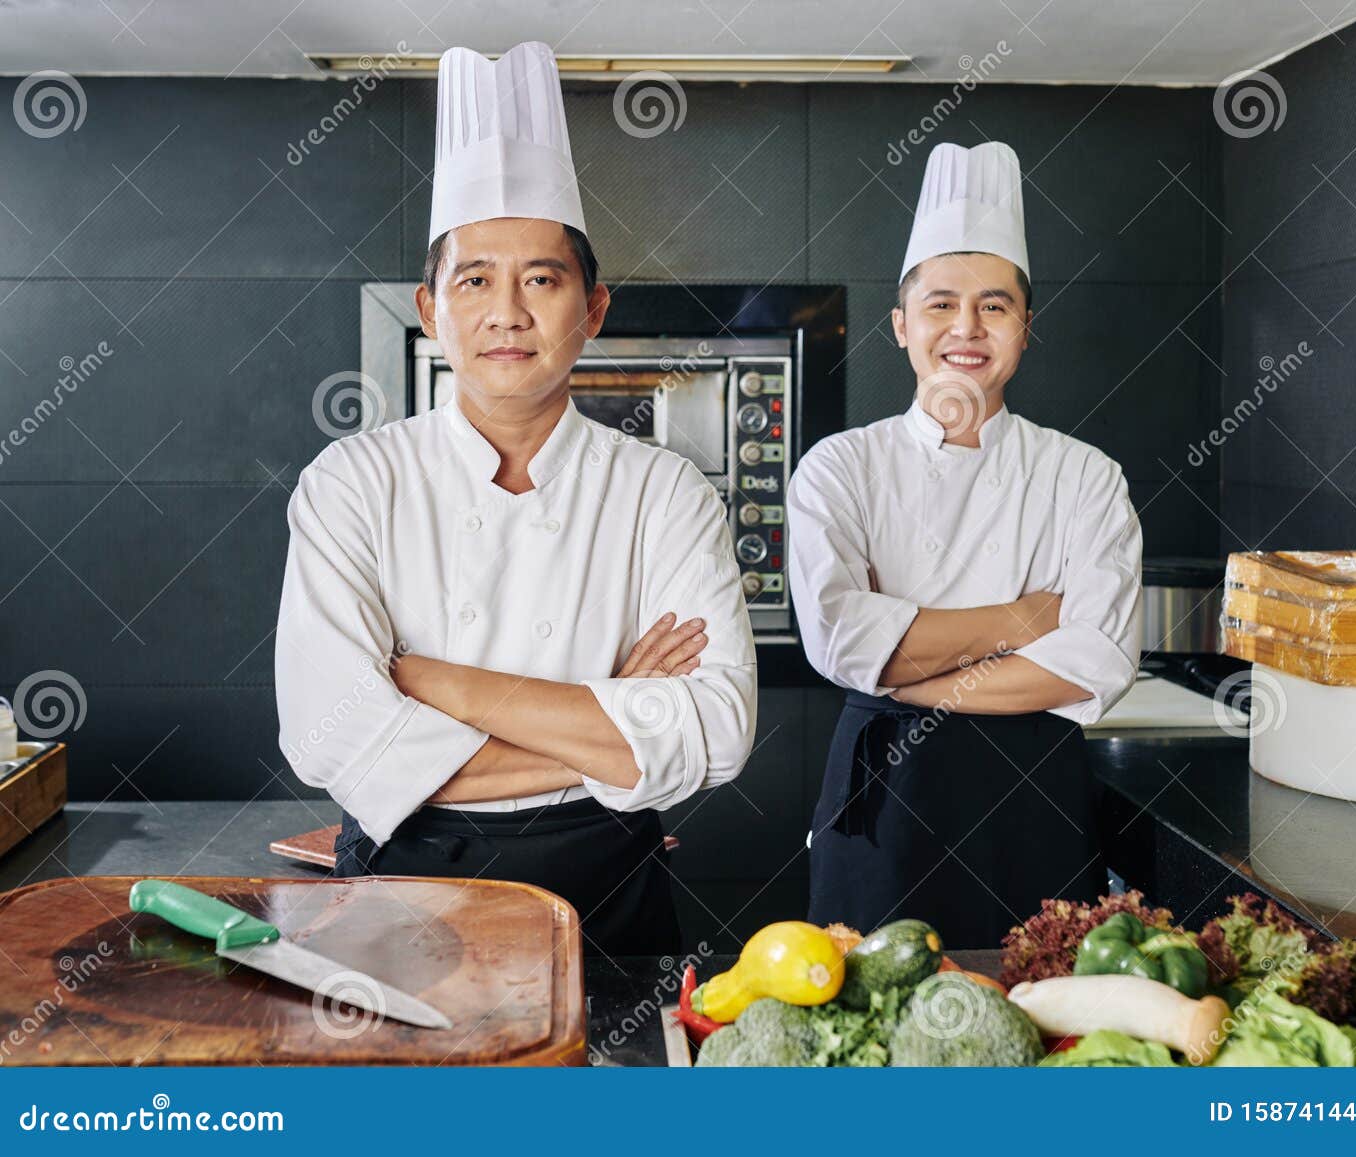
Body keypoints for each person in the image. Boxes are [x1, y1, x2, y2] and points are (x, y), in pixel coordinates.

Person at [274, 42, 757, 956]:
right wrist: (611, 715)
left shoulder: (666, 492)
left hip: (610, 893)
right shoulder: (350, 484)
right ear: (431, 309)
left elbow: (720, 731)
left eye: (542, 278)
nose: (508, 311)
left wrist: (429, 682)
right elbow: (330, 733)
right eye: (475, 280)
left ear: (595, 307)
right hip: (404, 884)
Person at [788, 141, 1142, 949]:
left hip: (1034, 805)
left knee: (1035, 1030)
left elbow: (1096, 661)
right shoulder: (840, 467)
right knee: (866, 1034)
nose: (966, 329)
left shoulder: (1084, 476)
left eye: (994, 305)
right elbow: (841, 638)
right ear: (901, 324)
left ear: (1026, 326)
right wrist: (1022, 619)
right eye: (942, 304)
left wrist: (901, 667)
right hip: (885, 799)